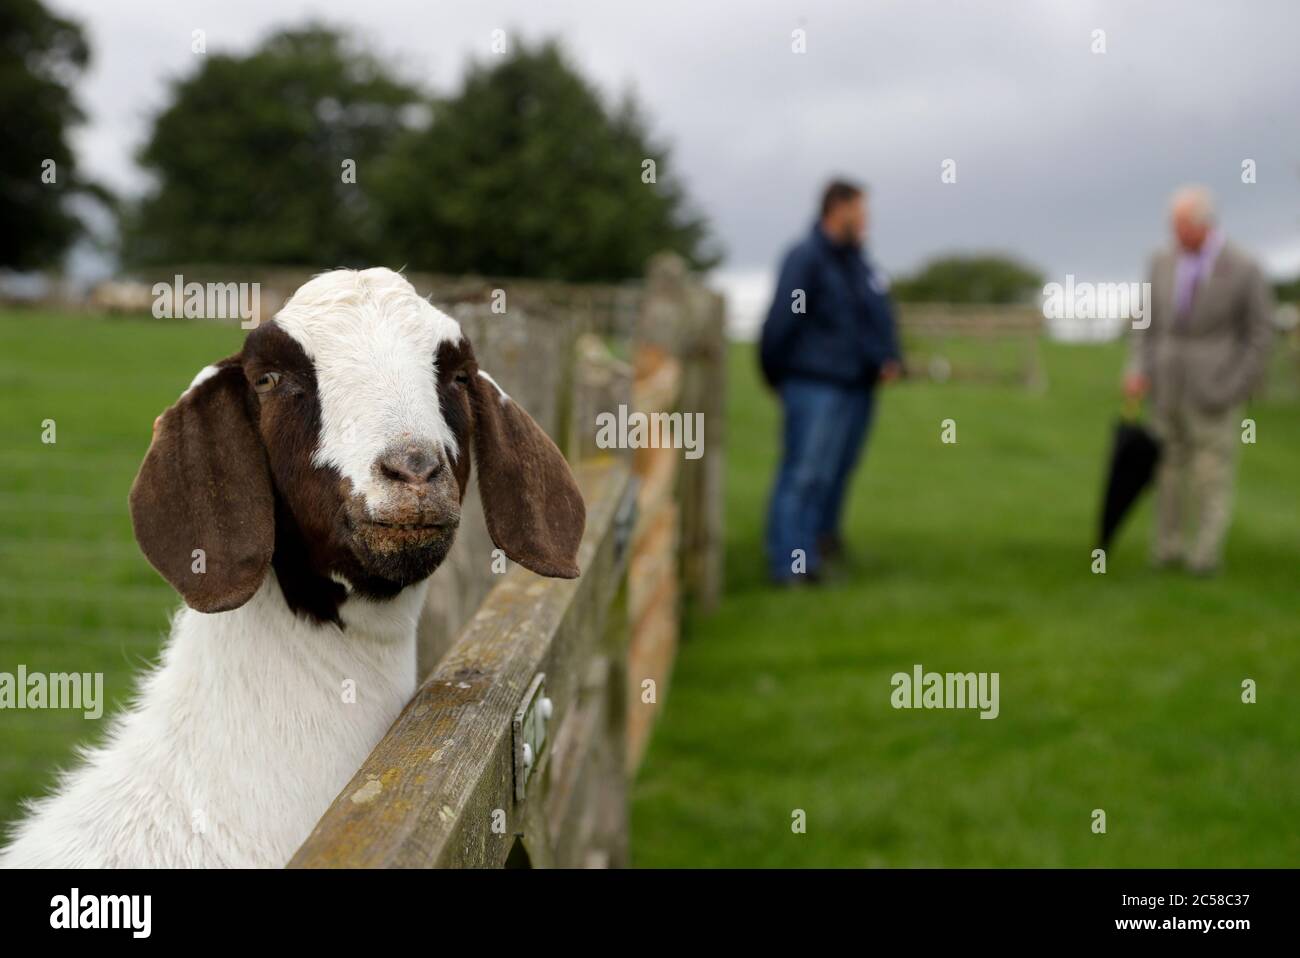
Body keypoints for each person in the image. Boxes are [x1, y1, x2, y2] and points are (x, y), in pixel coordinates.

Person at [1125, 185, 1274, 575]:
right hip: (1165, 387)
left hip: (1215, 390)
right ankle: (1167, 548)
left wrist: (1236, 385)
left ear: (1203, 224)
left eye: (1180, 225)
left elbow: (1260, 334)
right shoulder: (1159, 261)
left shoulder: (1243, 266)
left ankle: (1204, 555)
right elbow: (1144, 321)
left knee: (1210, 472)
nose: (1173, 233)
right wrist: (1137, 370)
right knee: (1167, 470)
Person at [760, 179, 902, 585]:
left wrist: (887, 358)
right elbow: (782, 322)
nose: (867, 219)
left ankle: (814, 553)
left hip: (854, 384)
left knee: (828, 474)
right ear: (839, 208)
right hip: (814, 384)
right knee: (803, 474)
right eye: (862, 209)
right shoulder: (806, 258)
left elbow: (869, 321)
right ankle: (788, 565)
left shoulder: (856, 263)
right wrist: (777, 374)